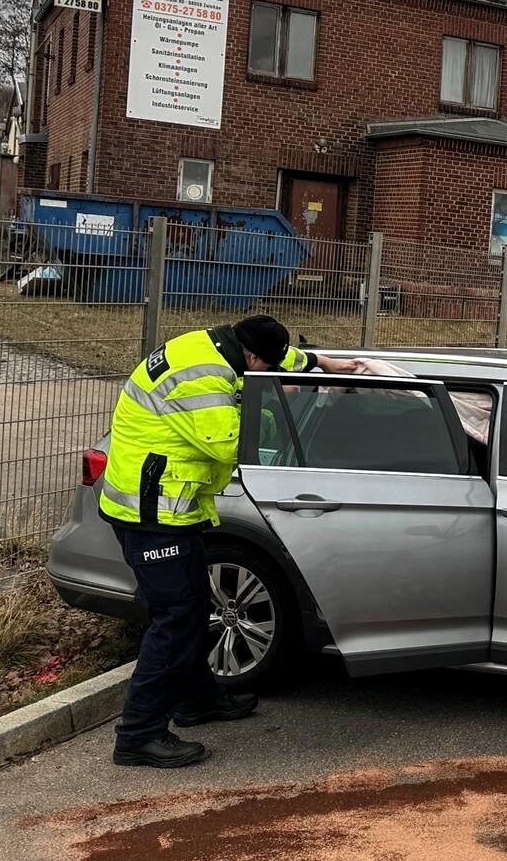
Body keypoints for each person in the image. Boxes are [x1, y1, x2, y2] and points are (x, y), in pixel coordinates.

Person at [99, 315, 359, 768]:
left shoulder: (221, 345)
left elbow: (281, 359)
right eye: (267, 368)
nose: (271, 372)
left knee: (196, 607)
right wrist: (279, 405)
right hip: (151, 512)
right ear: (252, 357)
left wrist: (323, 363)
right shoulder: (208, 379)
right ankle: (138, 734)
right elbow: (232, 445)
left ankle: (197, 700)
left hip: (173, 504)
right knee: (175, 618)